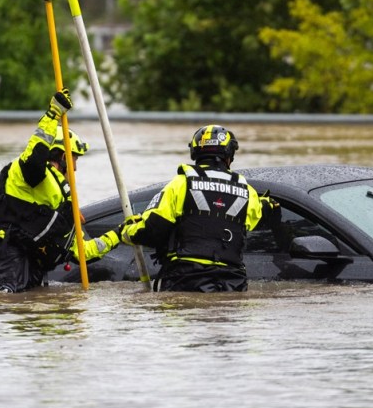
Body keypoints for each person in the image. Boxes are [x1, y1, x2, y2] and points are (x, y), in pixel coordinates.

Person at [0, 91, 120, 292]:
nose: (75, 168)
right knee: (5, 306)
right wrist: (53, 115)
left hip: (30, 270)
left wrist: (120, 234)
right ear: (60, 156)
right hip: (4, 261)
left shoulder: (62, 198)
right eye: (74, 159)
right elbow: (35, 158)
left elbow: (81, 252)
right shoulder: (25, 173)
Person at [117, 124, 278, 292]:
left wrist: (126, 231)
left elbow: (151, 230)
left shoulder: (181, 184)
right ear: (229, 154)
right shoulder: (247, 192)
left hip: (184, 279)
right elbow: (260, 216)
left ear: (195, 153)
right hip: (232, 282)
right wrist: (268, 205)